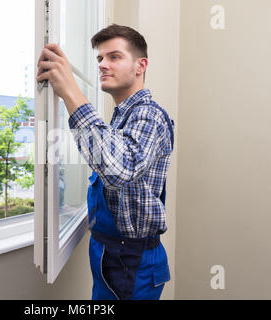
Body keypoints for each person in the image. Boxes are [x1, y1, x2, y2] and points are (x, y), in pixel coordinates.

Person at [36, 24, 174, 300]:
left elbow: (122, 169)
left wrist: (71, 93)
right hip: (109, 255)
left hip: (134, 261)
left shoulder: (149, 115)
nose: (102, 65)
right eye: (99, 58)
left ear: (140, 66)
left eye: (114, 57)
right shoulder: (121, 118)